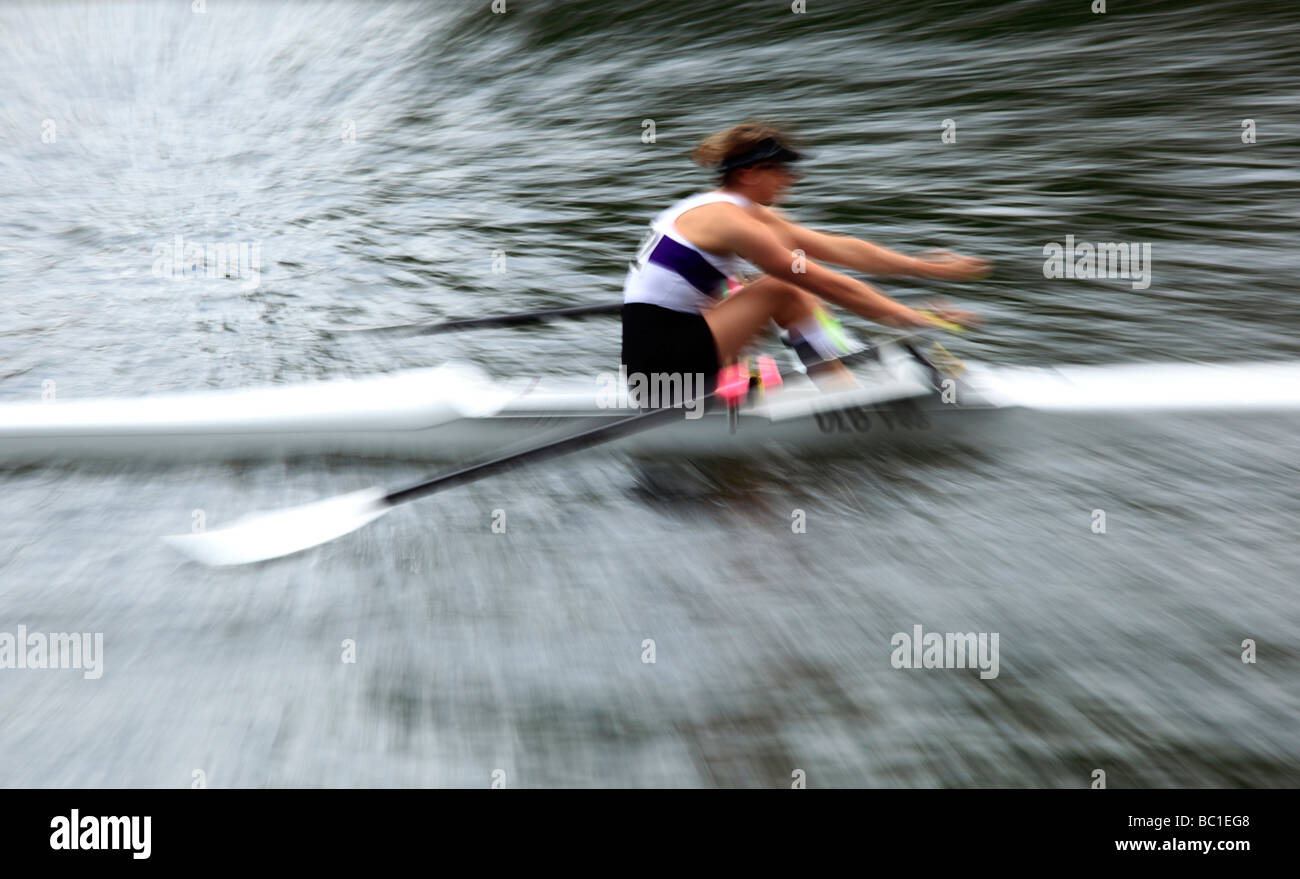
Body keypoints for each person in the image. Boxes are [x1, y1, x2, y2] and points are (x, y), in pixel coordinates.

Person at [621, 122, 987, 396]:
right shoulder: (728, 220)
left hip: (671, 348)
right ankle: (843, 390)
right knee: (784, 288)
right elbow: (821, 280)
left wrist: (925, 267)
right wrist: (915, 318)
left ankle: (836, 375)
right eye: (781, 170)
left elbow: (840, 248)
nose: (792, 179)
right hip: (661, 370)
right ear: (748, 173)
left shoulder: (729, 209)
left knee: (760, 286)